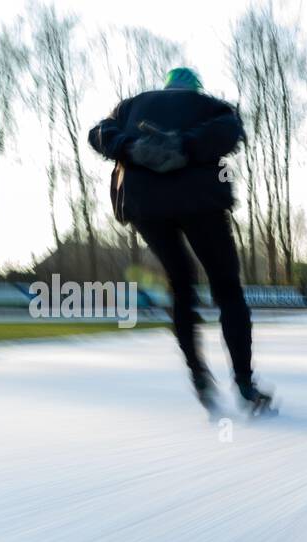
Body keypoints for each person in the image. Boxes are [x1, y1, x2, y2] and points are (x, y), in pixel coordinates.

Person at [88, 67, 274, 415]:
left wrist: (131, 146)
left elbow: (98, 133)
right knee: (227, 289)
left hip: (145, 204)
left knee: (181, 283)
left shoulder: (130, 106)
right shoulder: (209, 105)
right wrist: (187, 145)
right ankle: (245, 383)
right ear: (194, 88)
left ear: (167, 87)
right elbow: (230, 130)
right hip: (200, 200)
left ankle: (198, 374)